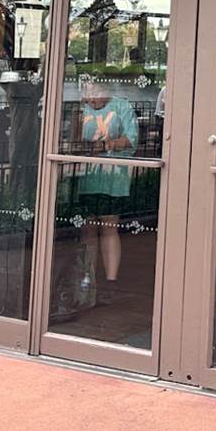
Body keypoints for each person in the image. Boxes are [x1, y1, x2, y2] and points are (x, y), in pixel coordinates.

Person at [72, 80, 140, 301]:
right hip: (87, 173)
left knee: (109, 225)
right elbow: (74, 140)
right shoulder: (82, 109)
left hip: (112, 174)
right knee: (88, 227)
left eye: (96, 93)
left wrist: (105, 146)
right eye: (88, 94)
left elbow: (132, 140)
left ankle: (111, 281)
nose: (92, 99)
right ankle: (86, 278)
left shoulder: (122, 107)